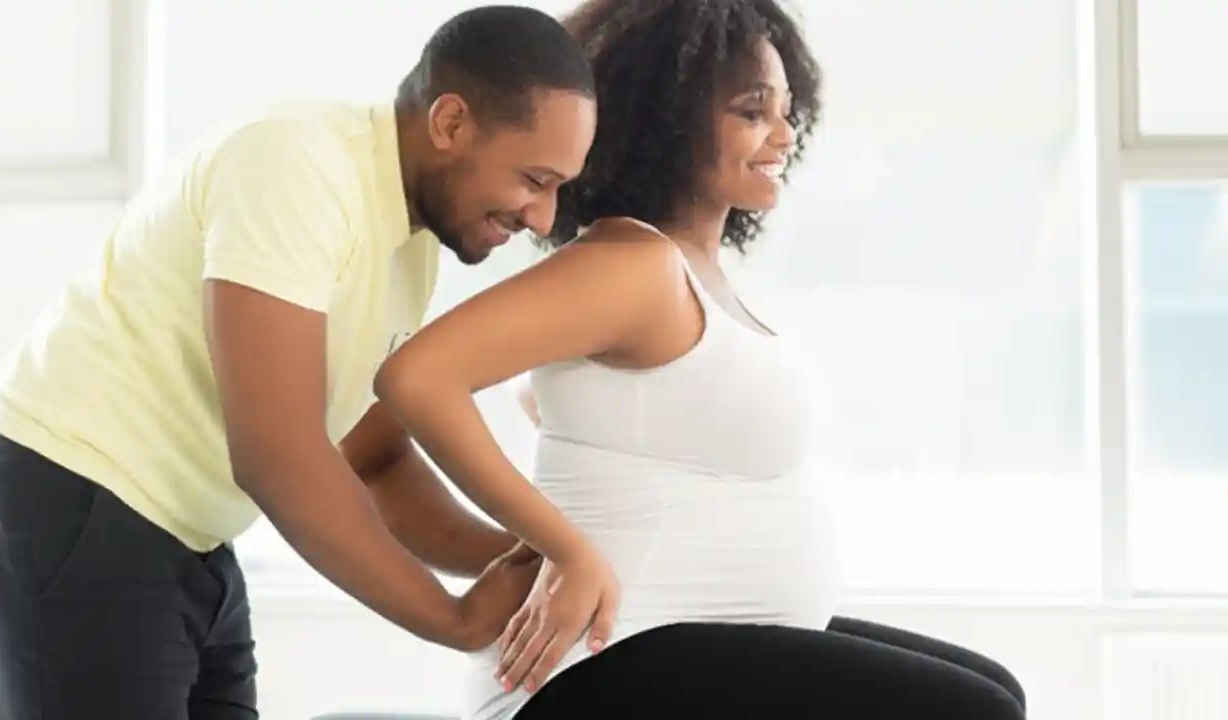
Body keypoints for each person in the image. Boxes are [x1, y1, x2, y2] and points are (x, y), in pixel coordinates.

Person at [372, 1, 1029, 718]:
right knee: (976, 711)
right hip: (605, 668)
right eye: (752, 113)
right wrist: (563, 546)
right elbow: (417, 379)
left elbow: (587, 410)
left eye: (786, 111)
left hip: (678, 653)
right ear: (668, 119)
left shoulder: (687, 271)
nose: (782, 135)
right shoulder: (631, 265)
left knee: (996, 689)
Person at [0, 6, 597, 719]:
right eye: (535, 180)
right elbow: (279, 456)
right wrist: (453, 619)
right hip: (75, 494)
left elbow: (369, 457)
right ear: (450, 124)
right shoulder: (299, 164)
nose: (542, 217)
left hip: (188, 536)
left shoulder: (406, 251)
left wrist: (513, 562)